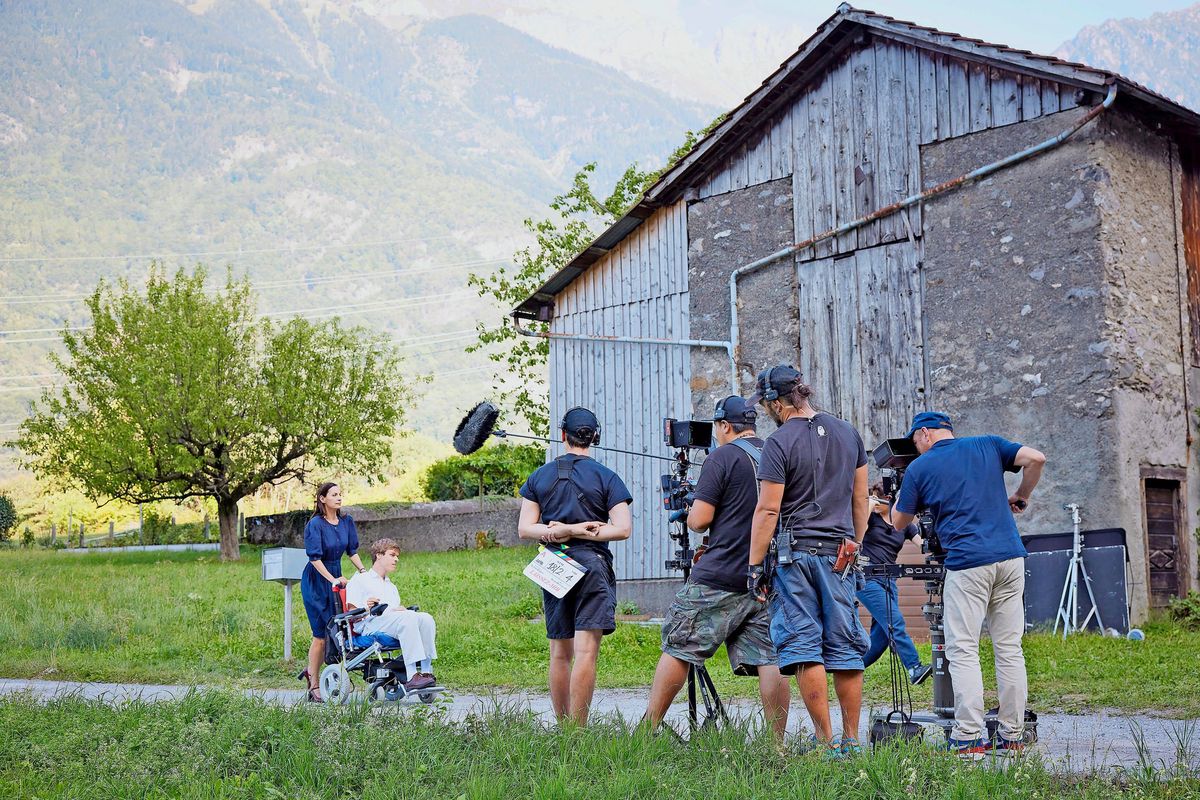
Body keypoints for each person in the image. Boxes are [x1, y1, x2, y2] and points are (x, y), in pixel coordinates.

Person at [890, 411, 1046, 757]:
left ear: (925, 433)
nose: (916, 449)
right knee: (1009, 648)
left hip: (967, 563)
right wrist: (1021, 495)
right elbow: (1036, 458)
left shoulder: (920, 467)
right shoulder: (988, 444)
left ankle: (968, 737)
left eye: (915, 441)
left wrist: (895, 500)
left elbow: (899, 522)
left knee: (962, 650)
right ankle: (1012, 735)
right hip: (1010, 559)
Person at [644, 396, 790, 738]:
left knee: (680, 644)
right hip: (765, 579)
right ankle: (776, 746)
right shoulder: (775, 453)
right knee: (770, 659)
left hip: (720, 575)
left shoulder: (721, 457)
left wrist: (692, 505)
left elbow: (699, 521)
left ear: (725, 425)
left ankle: (646, 731)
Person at [746, 365, 870, 757]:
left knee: (803, 644)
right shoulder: (848, 433)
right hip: (840, 555)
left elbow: (768, 510)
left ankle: (825, 740)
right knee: (845, 644)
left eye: (765, 404)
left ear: (776, 402)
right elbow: (861, 500)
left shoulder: (778, 443)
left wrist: (754, 566)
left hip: (794, 555)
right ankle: (851, 741)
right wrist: (854, 545)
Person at [517, 406, 633, 725]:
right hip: (592, 564)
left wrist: (563, 531)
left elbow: (525, 528)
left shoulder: (540, 476)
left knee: (559, 653)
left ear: (562, 435)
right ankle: (578, 732)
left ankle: (563, 726)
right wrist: (582, 530)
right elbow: (622, 529)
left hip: (554, 563)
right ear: (595, 436)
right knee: (585, 653)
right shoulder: (607, 477)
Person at [298, 482, 367, 703]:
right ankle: (314, 683)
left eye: (340, 494)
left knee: (335, 632)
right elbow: (314, 558)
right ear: (322, 499)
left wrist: (364, 572)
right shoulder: (315, 524)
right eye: (334, 494)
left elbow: (352, 551)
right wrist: (332, 579)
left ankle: (319, 672)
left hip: (336, 578)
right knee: (320, 634)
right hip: (316, 581)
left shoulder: (346, 522)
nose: (339, 498)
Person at [857, 482, 932, 684]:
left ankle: (851, 670)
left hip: (890, 580)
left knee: (881, 638)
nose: (873, 500)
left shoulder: (903, 523)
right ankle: (914, 668)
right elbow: (857, 535)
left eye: (876, 497)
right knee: (894, 621)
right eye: (871, 496)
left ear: (888, 500)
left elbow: (923, 545)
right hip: (867, 578)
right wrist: (868, 507)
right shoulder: (869, 517)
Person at [345, 537, 438, 692]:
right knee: (408, 617)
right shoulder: (360, 579)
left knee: (426, 618)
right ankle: (411, 676)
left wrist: (400, 611)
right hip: (369, 624)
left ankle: (426, 672)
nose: (396, 559)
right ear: (379, 555)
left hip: (391, 622)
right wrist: (367, 607)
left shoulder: (391, 586)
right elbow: (351, 614)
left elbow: (394, 614)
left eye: (397, 556)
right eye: (392, 555)